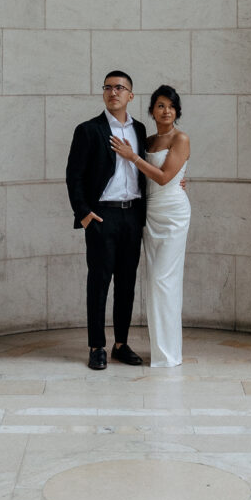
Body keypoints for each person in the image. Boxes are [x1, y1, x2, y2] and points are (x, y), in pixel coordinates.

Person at [65, 70, 148, 371]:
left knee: (127, 283)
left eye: (120, 88)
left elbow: (149, 170)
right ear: (104, 93)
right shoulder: (89, 130)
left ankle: (121, 344)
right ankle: (96, 346)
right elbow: (74, 176)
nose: (113, 92)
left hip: (133, 214)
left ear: (130, 95)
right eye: (108, 87)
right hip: (103, 215)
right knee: (99, 283)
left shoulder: (139, 129)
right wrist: (85, 214)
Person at [110, 85, 190, 369]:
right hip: (150, 212)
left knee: (163, 281)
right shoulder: (148, 139)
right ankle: (160, 350)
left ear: (177, 111)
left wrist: (133, 157)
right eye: (160, 105)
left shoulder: (180, 138)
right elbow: (143, 177)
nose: (166, 110)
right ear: (152, 110)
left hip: (172, 214)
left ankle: (168, 355)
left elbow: (165, 177)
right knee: (154, 281)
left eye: (171, 106)